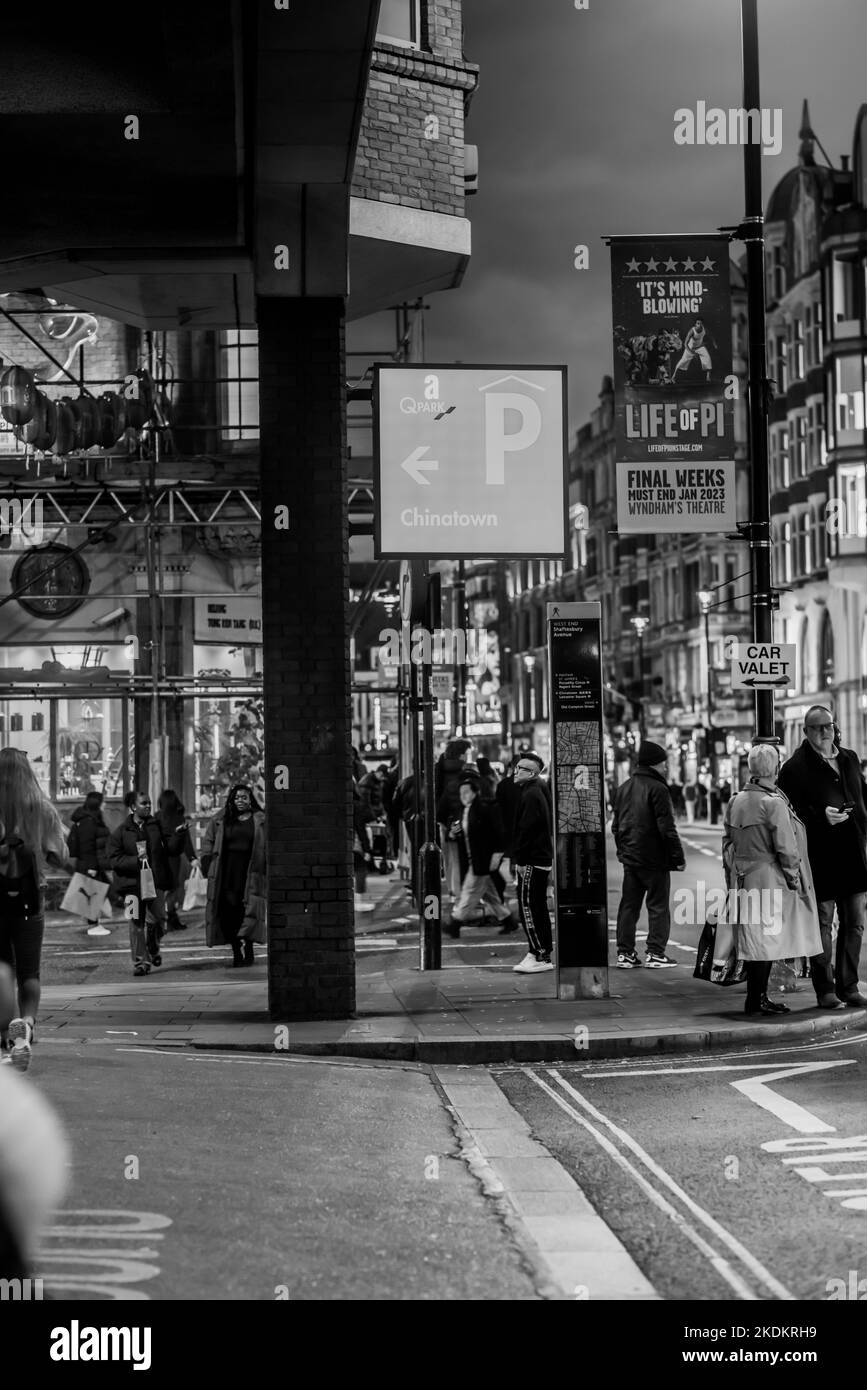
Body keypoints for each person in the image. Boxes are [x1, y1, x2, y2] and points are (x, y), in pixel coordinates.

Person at [723, 744, 824, 1014]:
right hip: (769, 878)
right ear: (776, 768)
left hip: (743, 877)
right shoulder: (773, 803)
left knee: (753, 937)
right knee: (766, 942)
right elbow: (787, 848)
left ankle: (755, 999)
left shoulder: (736, 800)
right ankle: (756, 1000)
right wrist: (794, 879)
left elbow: (727, 844)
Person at [777, 707, 867, 1007]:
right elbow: (786, 814)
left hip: (853, 854)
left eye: (828, 725)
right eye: (816, 727)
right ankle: (825, 990)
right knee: (823, 924)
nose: (824, 731)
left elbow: (863, 797)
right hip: (820, 857)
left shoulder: (849, 759)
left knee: (854, 922)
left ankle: (849, 986)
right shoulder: (794, 768)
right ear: (806, 732)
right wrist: (820, 816)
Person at [0, 748, 70, 1071]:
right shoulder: (41, 808)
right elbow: (59, 855)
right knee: (30, 973)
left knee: (3, 970)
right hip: (30, 901)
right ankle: (25, 1027)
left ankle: (6, 1027)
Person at [612, 740, 685, 969]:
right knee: (658, 906)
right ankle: (655, 953)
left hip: (631, 858)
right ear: (655, 765)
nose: (666, 768)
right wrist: (677, 858)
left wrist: (623, 850)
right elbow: (667, 828)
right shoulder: (658, 788)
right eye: (664, 764)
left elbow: (616, 826)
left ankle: (625, 953)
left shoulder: (623, 788)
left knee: (629, 906)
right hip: (654, 858)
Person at [108, 791, 173, 977]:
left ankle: (153, 943)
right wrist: (135, 861)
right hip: (130, 885)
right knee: (135, 923)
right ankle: (140, 962)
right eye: (144, 803)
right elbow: (113, 859)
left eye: (149, 803)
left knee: (160, 918)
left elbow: (171, 847)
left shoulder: (156, 826)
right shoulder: (120, 832)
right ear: (133, 807)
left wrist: (179, 836)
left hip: (155, 881)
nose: (148, 806)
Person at [201, 785, 266, 967]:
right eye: (236, 797)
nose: (240, 801)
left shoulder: (260, 820)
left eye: (244, 797)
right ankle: (237, 950)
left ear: (250, 799)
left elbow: (268, 845)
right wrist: (207, 862)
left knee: (249, 911)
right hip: (227, 874)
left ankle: (250, 947)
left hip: (250, 873)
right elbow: (209, 842)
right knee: (230, 913)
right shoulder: (221, 819)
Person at [446, 776, 518, 937]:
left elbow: (498, 833)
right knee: (489, 894)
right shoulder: (463, 810)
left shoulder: (484, 809)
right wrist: (452, 833)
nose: (463, 795)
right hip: (474, 860)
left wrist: (497, 854)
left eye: (466, 792)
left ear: (475, 792)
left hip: (482, 861)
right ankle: (508, 921)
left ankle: (455, 923)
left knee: (469, 892)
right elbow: (459, 832)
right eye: (461, 793)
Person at [510, 752, 555, 974]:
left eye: (521, 769)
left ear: (532, 773)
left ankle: (539, 954)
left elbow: (527, 829)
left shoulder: (531, 793)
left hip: (532, 860)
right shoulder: (537, 789)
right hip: (540, 858)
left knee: (528, 907)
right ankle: (540, 951)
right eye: (516, 767)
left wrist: (520, 859)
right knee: (537, 907)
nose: (515, 772)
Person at [435, 738, 476, 902]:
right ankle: (459, 892)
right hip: (460, 817)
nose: (469, 755)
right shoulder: (464, 772)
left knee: (449, 856)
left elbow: (436, 793)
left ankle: (452, 890)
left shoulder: (439, 767)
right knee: (461, 856)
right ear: (461, 754)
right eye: (467, 752)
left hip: (444, 817)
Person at [67, 790, 111, 931]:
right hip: (90, 864)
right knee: (93, 894)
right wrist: (91, 867)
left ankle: (94, 923)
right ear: (97, 804)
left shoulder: (91, 819)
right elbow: (87, 846)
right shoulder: (88, 822)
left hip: (94, 864)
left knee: (98, 893)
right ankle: (93, 925)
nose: (105, 804)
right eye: (103, 801)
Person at [155, 789, 198, 932]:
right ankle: (171, 918)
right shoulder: (178, 818)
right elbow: (186, 841)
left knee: (161, 889)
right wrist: (192, 858)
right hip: (173, 858)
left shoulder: (156, 817)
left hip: (158, 858)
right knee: (173, 888)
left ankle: (162, 919)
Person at [671, 317, 712, 383]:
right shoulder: (692, 331)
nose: (700, 325)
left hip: (700, 346)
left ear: (703, 324)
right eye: (698, 323)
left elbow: (710, 335)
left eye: (701, 323)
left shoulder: (704, 329)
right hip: (690, 347)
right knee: (683, 361)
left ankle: (708, 377)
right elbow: (685, 344)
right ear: (695, 324)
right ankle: (673, 377)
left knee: (708, 358)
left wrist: (714, 343)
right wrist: (692, 352)